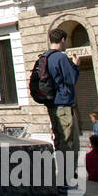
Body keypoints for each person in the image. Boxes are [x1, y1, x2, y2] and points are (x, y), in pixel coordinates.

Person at [42, 28, 80, 163]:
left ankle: (65, 176)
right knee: (68, 142)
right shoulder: (60, 57)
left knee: (59, 140)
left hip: (52, 105)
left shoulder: (44, 57)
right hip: (63, 105)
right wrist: (75, 66)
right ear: (63, 40)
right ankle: (66, 178)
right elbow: (71, 79)